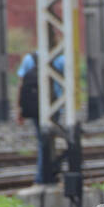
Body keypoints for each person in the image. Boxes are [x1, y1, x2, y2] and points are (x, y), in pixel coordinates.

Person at [16, 50, 64, 184]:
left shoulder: (29, 58)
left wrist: (19, 108)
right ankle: (46, 176)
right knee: (48, 141)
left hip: (34, 106)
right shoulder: (61, 59)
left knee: (42, 141)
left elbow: (21, 84)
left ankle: (43, 176)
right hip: (55, 106)